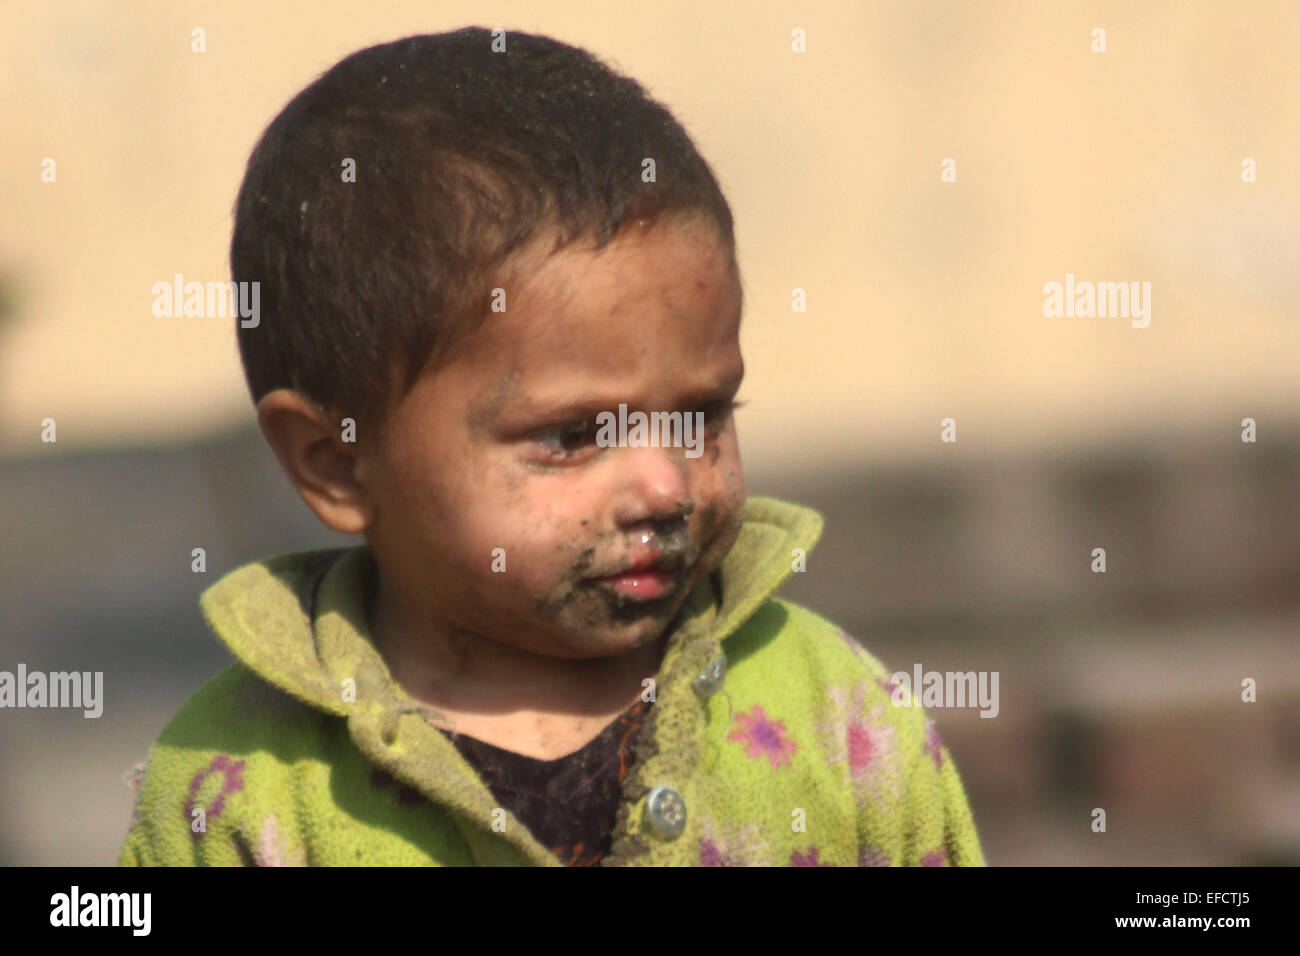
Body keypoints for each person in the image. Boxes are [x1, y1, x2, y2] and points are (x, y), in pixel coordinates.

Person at [119, 27, 984, 867]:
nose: (663, 485)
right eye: (574, 436)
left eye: (702, 413)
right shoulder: (242, 790)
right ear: (338, 462)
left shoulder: (837, 718)